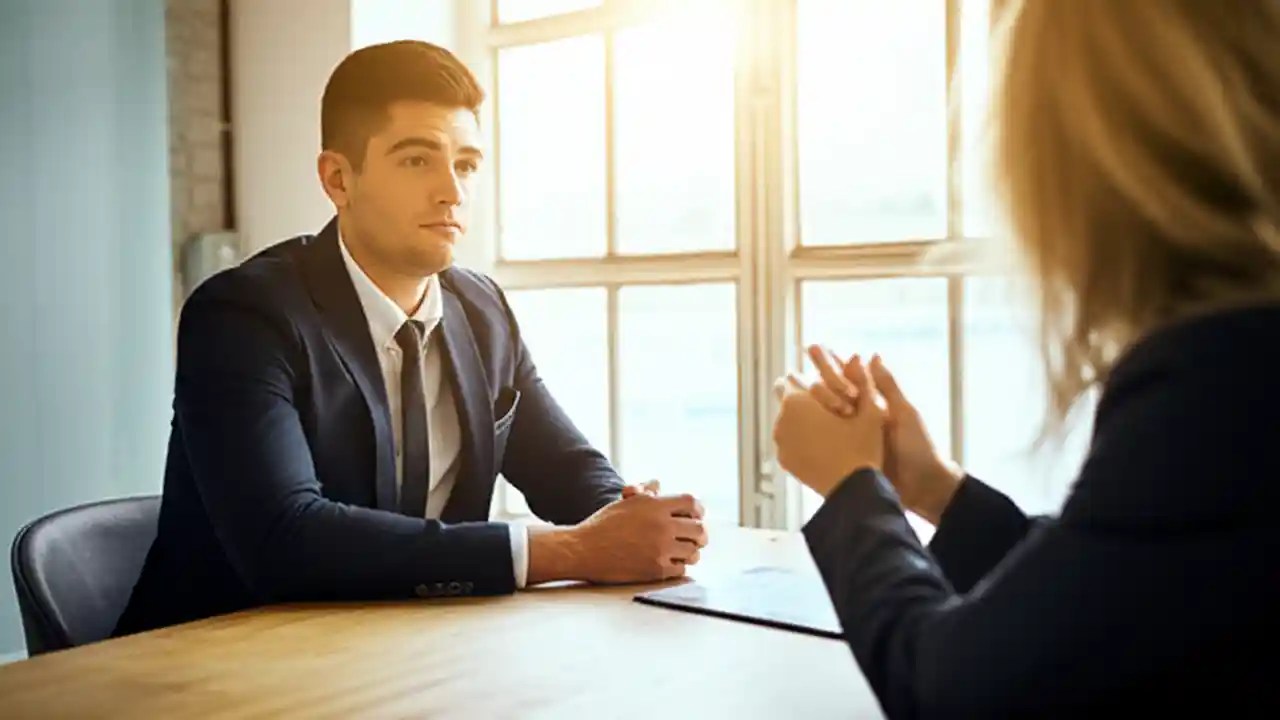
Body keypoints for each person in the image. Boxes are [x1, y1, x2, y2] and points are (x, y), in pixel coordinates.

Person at [772, 0, 1280, 715]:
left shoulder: (1220, 381)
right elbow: (1112, 587)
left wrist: (851, 488)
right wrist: (934, 487)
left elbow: (954, 691)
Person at [115, 41, 707, 636]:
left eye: (466, 165)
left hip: (405, 648)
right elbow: (285, 540)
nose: (452, 191)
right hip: (219, 656)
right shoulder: (242, 315)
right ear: (338, 179)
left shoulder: (482, 310)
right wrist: (568, 551)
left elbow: (563, 465)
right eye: (418, 160)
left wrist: (634, 517)